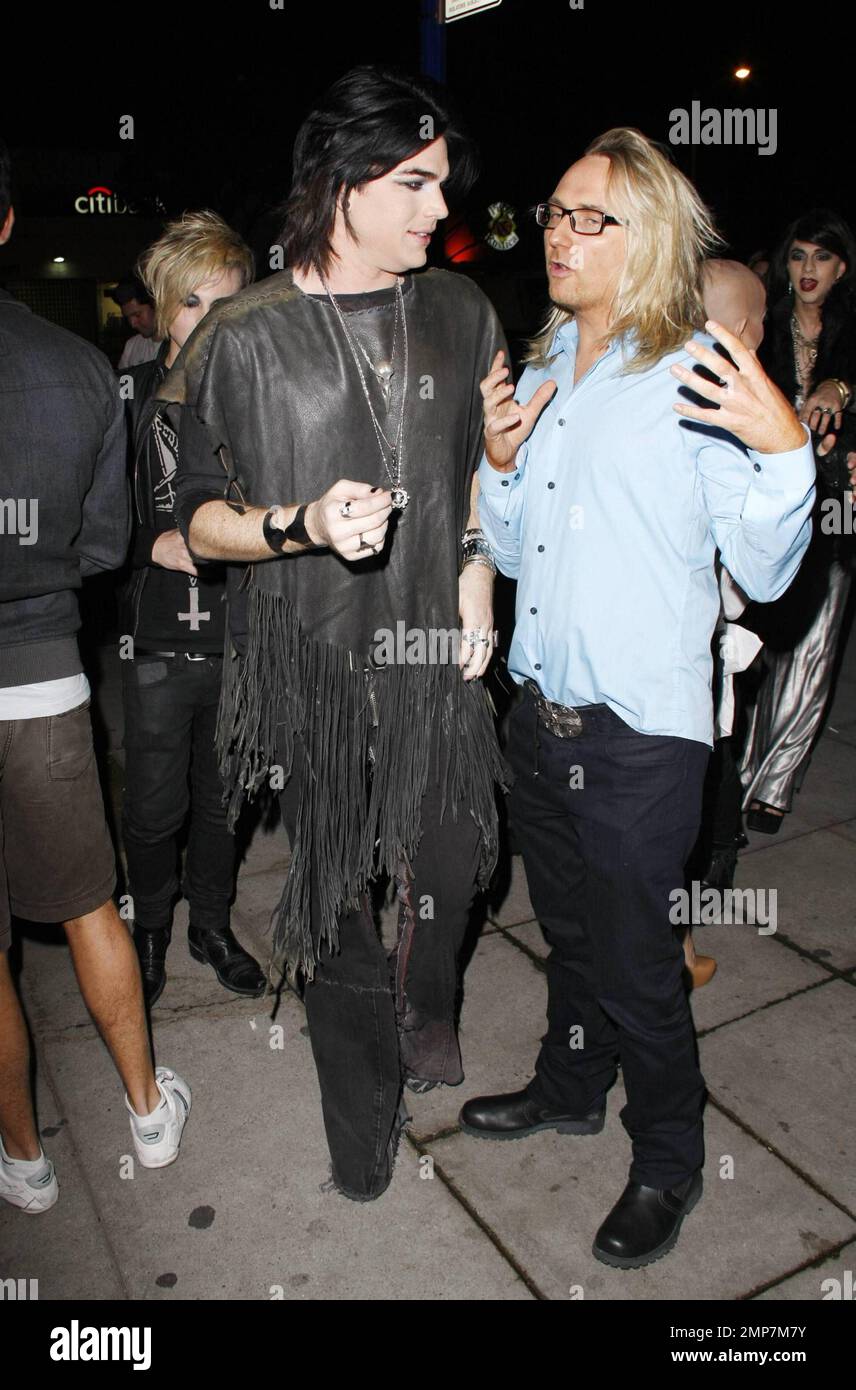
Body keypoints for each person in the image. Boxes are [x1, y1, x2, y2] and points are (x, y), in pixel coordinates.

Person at [462, 128, 815, 1269]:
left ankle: (668, 1154)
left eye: (586, 217)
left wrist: (783, 457)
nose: (556, 233)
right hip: (539, 711)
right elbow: (511, 556)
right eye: (554, 212)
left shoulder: (694, 367)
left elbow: (762, 572)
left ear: (648, 235)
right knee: (566, 933)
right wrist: (501, 468)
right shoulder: (552, 354)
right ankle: (571, 1083)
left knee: (635, 960)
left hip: (641, 737)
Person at [163, 67, 508, 1202]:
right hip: (309, 672)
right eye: (414, 185)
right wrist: (297, 523)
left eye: (442, 186)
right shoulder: (240, 335)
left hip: (432, 667)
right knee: (341, 907)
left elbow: (471, 481)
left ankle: (426, 1006)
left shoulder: (460, 311)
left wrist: (475, 572)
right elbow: (191, 523)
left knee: (449, 872)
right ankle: (358, 1120)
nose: (437, 210)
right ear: (342, 181)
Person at [0, 140, 189, 1213]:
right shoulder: (78, 368)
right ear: (9, 226)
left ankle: (22, 1160)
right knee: (87, 907)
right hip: (36, 681)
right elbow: (106, 540)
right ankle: (148, 1113)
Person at [122, 211, 263, 1005]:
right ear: (168, 304)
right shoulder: (132, 394)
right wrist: (153, 546)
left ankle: (210, 925)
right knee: (151, 808)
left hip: (239, 637)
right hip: (157, 639)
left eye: (228, 304)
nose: (211, 322)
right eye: (194, 304)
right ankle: (149, 932)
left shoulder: (253, 396)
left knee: (223, 804)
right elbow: (92, 520)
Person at [739, 211, 856, 832]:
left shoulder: (851, 331)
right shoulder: (761, 327)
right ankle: (742, 768)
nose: (808, 270)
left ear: (842, 267)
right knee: (764, 644)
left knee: (816, 649)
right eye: (798, 256)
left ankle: (773, 786)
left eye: (823, 258)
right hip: (769, 506)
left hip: (836, 512)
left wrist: (841, 388)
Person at [681, 258, 769, 989]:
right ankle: (670, 953)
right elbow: (748, 573)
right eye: (760, 316)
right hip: (687, 657)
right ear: (740, 330)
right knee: (682, 811)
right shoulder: (732, 412)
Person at [109, 273, 161, 369]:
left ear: (156, 306)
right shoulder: (132, 346)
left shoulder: (178, 344)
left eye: (137, 315)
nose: (132, 324)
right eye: (128, 317)